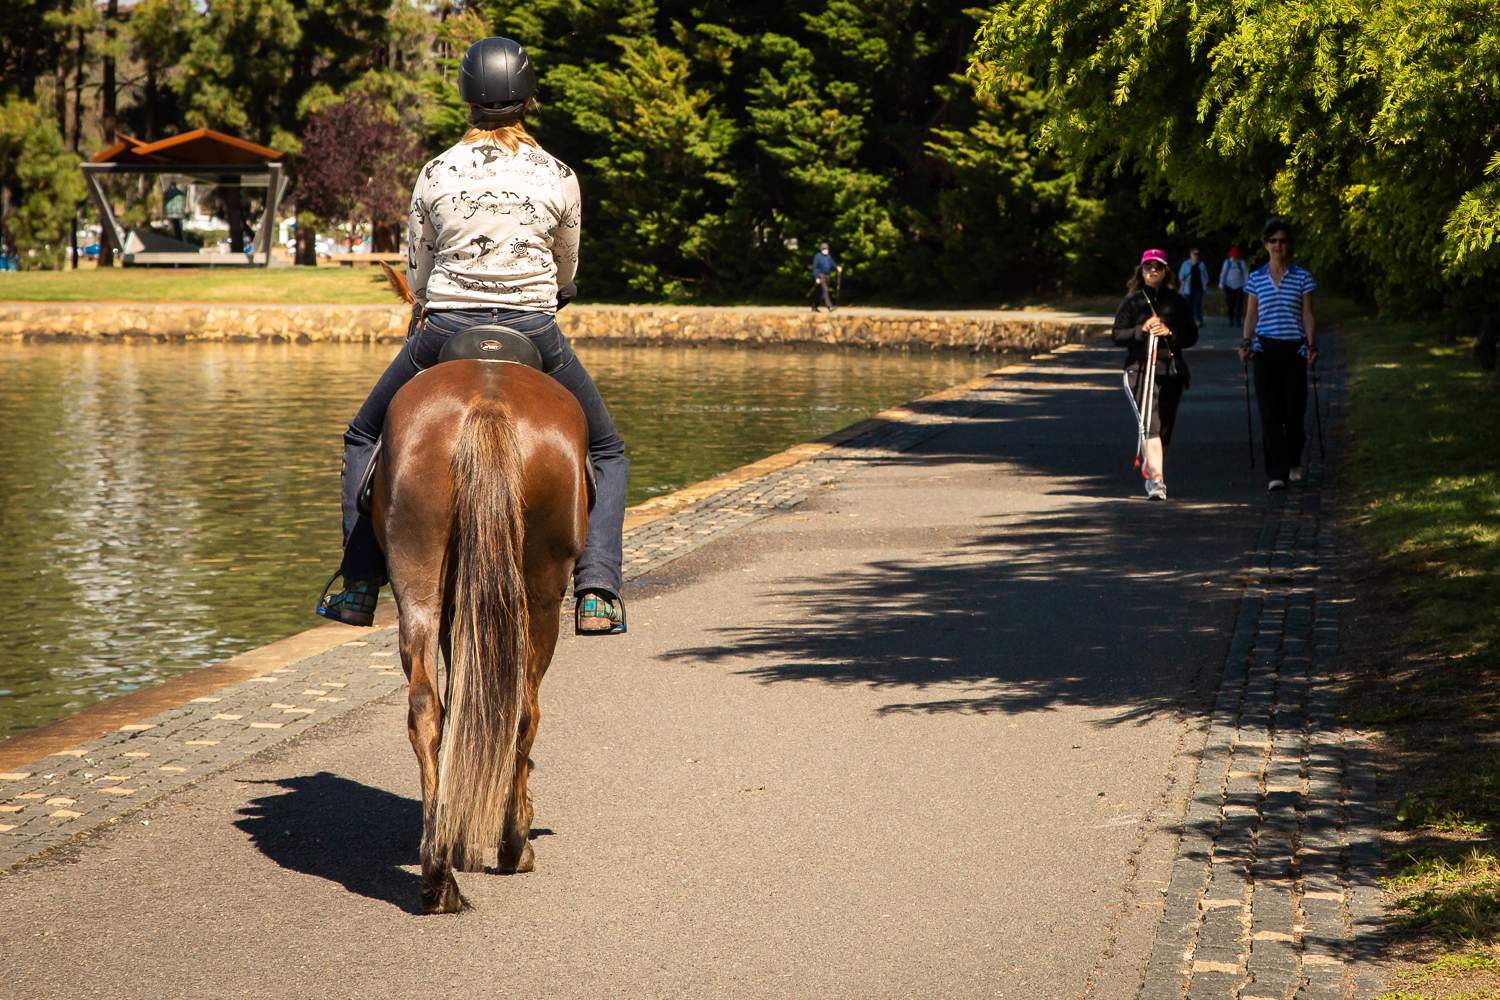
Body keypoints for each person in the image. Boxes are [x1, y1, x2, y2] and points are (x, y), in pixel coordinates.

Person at [317, 36, 629, 635]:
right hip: (534, 329)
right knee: (608, 451)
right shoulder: (560, 176)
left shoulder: (434, 173)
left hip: (446, 330)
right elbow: (567, 267)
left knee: (363, 434)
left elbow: (419, 270)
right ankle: (597, 590)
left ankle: (358, 582)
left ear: (466, 96)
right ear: (528, 97)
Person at [1237, 216, 1317, 492]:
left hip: (1294, 350)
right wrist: (1245, 342)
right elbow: (1251, 315)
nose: (1277, 246)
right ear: (1265, 244)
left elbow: (1307, 313)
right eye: (1273, 241)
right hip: (1264, 350)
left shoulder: (1302, 277)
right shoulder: (1256, 278)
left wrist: (1311, 344)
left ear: (1289, 245)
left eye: (1282, 241)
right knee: (1269, 414)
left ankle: (1294, 459)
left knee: (1293, 412)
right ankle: (1276, 473)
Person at [1112, 249, 1199, 500]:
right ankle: (1157, 481)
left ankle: (1153, 472)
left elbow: (1192, 335)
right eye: (1148, 266)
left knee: (1165, 429)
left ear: (1165, 270)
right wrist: (1141, 329)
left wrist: (1169, 332)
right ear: (1141, 270)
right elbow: (1117, 335)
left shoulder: (1177, 301)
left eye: (1157, 266)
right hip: (1140, 370)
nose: (1152, 270)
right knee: (1150, 424)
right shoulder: (1132, 300)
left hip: (1170, 370)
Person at [1177, 247, 1209, 327]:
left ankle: (1198, 320)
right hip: (1187, 289)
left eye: (1197, 254)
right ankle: (1189, 321)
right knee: (1188, 305)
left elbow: (1205, 276)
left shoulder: (1201, 264)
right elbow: (1181, 275)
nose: (1196, 256)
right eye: (1194, 254)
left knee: (1197, 304)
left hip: (1199, 288)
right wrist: (1182, 281)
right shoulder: (1185, 264)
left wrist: (1205, 284)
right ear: (1190, 254)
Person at [1218, 245, 1248, 326]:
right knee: (1230, 304)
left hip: (1239, 287)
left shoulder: (1242, 263)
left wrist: (1246, 286)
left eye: (1235, 256)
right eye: (1233, 256)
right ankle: (1231, 319)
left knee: (1239, 305)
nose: (1234, 257)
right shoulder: (1227, 263)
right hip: (1229, 287)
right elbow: (1223, 274)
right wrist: (1221, 284)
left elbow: (1246, 275)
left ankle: (1238, 320)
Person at [811, 242, 841, 311]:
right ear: (821, 249)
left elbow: (832, 264)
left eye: (827, 249)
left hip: (827, 276)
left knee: (822, 293)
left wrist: (837, 267)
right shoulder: (817, 256)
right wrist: (816, 277)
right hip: (821, 276)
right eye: (824, 249)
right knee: (825, 290)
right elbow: (815, 268)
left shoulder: (828, 256)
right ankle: (830, 306)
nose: (826, 250)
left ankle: (814, 306)